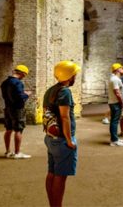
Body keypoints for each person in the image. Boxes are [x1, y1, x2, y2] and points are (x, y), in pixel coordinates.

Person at [43, 60, 80, 207]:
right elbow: (65, 117)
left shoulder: (51, 90)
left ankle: (53, 205)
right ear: (70, 76)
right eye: (74, 74)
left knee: (52, 173)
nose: (75, 77)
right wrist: (69, 140)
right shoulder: (65, 92)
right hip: (61, 140)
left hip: (50, 138)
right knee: (60, 176)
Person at [1, 64, 32, 159]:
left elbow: (7, 95)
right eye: (24, 75)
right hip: (17, 109)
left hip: (7, 108)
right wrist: (27, 94)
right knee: (18, 130)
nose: (24, 77)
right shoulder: (18, 83)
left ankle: (7, 152)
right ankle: (17, 153)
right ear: (22, 73)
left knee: (8, 129)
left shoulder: (5, 82)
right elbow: (19, 97)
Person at [107, 63, 123, 146]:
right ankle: (114, 141)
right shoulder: (115, 79)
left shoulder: (114, 78)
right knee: (114, 122)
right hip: (115, 103)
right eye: (121, 68)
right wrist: (122, 103)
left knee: (114, 121)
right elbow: (117, 93)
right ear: (117, 69)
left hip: (114, 102)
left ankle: (115, 138)